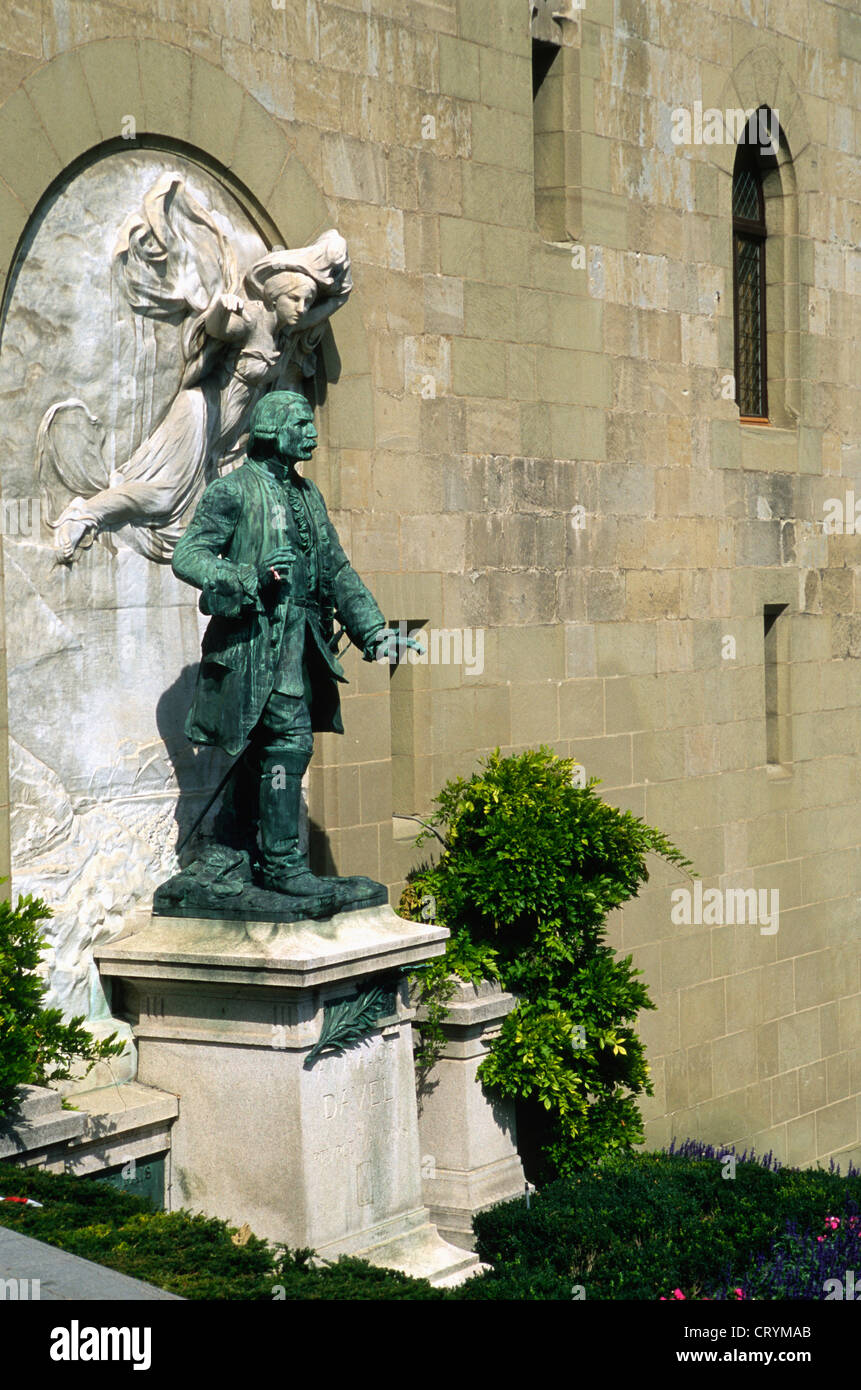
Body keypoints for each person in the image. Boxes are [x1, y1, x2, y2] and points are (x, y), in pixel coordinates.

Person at [171, 389, 421, 908]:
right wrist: (245, 576)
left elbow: (336, 569)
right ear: (271, 429)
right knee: (290, 743)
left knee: (266, 752)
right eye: (301, 424)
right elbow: (188, 556)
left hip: (300, 642)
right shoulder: (233, 491)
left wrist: (373, 631)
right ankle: (283, 864)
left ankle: (231, 844)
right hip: (252, 645)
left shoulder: (309, 497)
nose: (311, 433)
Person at [43, 173, 353, 564]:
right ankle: (84, 515)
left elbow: (337, 298)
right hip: (200, 415)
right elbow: (216, 327)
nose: (303, 309)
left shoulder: (288, 329)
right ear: (274, 297)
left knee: (217, 511)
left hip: (228, 436)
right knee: (162, 494)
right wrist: (224, 308)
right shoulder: (253, 321)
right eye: (295, 299)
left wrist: (330, 258)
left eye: (307, 302)